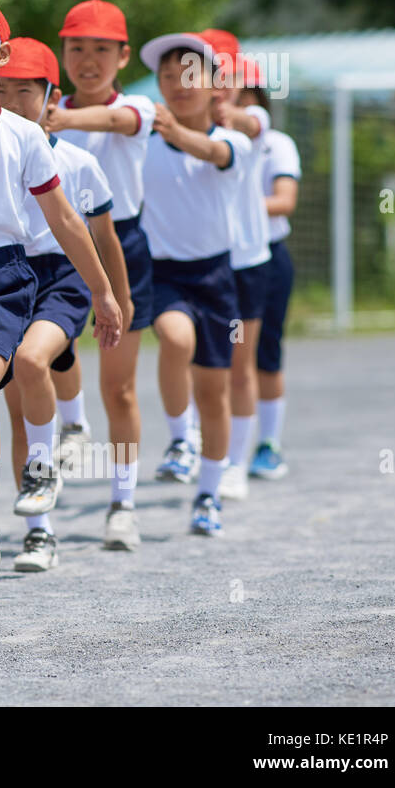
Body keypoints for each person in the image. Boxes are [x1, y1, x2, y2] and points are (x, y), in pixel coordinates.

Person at [0, 37, 127, 572]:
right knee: (15, 412)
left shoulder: (76, 163)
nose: (10, 102)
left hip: (63, 275)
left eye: (24, 91)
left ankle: (70, 431)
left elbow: (101, 234)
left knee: (31, 360)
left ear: (51, 97)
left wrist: (113, 294)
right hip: (3, 275)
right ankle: (39, 535)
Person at [44, 0, 155, 549]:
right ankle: (42, 516)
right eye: (77, 48)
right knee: (38, 364)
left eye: (101, 49)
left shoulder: (137, 106)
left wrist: (58, 119)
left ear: (123, 55)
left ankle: (123, 502)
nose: (88, 60)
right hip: (52, 247)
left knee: (123, 388)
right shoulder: (41, 108)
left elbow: (115, 120)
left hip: (120, 245)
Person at [140, 32, 253, 536]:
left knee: (215, 392)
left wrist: (172, 132)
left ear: (216, 86)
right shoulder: (142, 138)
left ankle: (209, 494)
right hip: (162, 273)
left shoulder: (235, 142)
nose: (177, 85)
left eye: (190, 76)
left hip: (215, 277)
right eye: (167, 77)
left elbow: (211, 151)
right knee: (175, 338)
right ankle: (179, 440)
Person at [203, 30, 271, 503]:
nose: (219, 83)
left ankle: (237, 464)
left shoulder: (251, 116)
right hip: (198, 261)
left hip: (245, 260)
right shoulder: (178, 122)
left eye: (226, 74)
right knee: (202, 366)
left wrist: (225, 114)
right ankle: (203, 452)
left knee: (240, 367)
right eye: (212, 74)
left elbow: (249, 122)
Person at [239, 78, 299, 479]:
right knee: (217, 356)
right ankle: (215, 447)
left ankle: (269, 445)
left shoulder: (276, 144)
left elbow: (284, 202)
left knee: (265, 354)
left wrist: (235, 204)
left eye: (241, 98)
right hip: (225, 258)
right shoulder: (203, 142)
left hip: (269, 257)